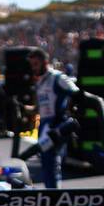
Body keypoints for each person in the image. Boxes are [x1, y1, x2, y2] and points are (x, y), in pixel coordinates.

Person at [28, 47, 81, 188]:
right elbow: (38, 107)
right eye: (31, 65)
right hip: (44, 125)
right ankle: (51, 193)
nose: (33, 68)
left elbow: (77, 94)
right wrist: (21, 107)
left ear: (45, 62)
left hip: (56, 125)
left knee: (51, 160)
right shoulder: (40, 82)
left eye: (36, 64)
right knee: (46, 162)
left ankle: (54, 195)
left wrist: (69, 114)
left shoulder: (58, 77)